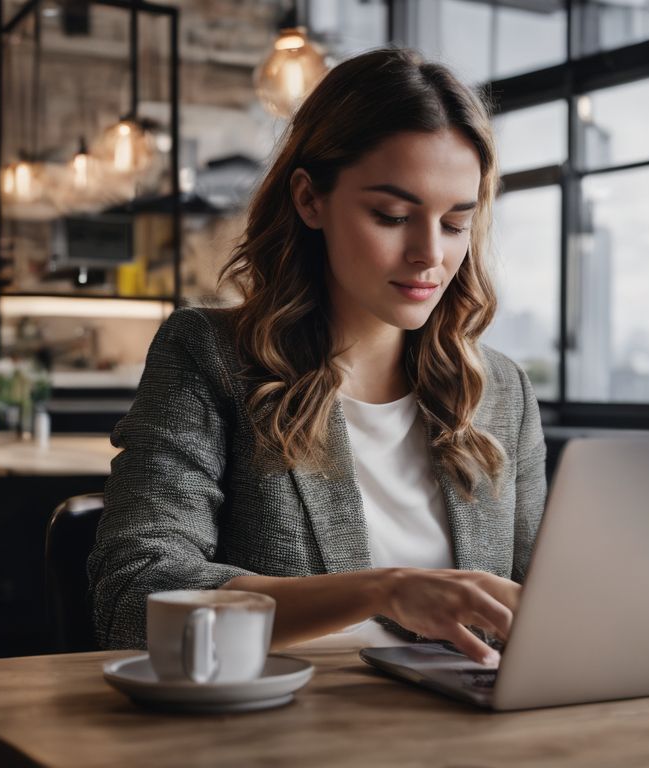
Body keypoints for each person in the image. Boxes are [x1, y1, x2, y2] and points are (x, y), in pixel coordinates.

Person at [88, 48, 545, 667]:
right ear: (309, 200)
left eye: (456, 223)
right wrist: (383, 590)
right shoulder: (209, 357)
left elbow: (546, 610)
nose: (428, 254)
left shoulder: (501, 391)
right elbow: (134, 598)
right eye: (392, 215)